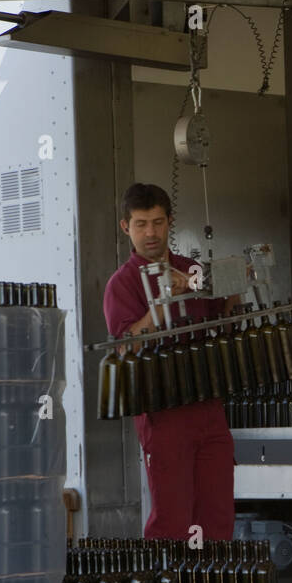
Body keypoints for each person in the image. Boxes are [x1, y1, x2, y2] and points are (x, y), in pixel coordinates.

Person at [103, 183, 238, 540]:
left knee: (218, 518)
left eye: (158, 222)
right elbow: (125, 349)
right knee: (173, 523)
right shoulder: (122, 284)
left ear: (170, 222)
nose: (151, 233)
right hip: (163, 414)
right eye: (141, 224)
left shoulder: (192, 269)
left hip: (209, 407)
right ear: (125, 227)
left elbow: (226, 320)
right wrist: (160, 303)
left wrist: (234, 285)